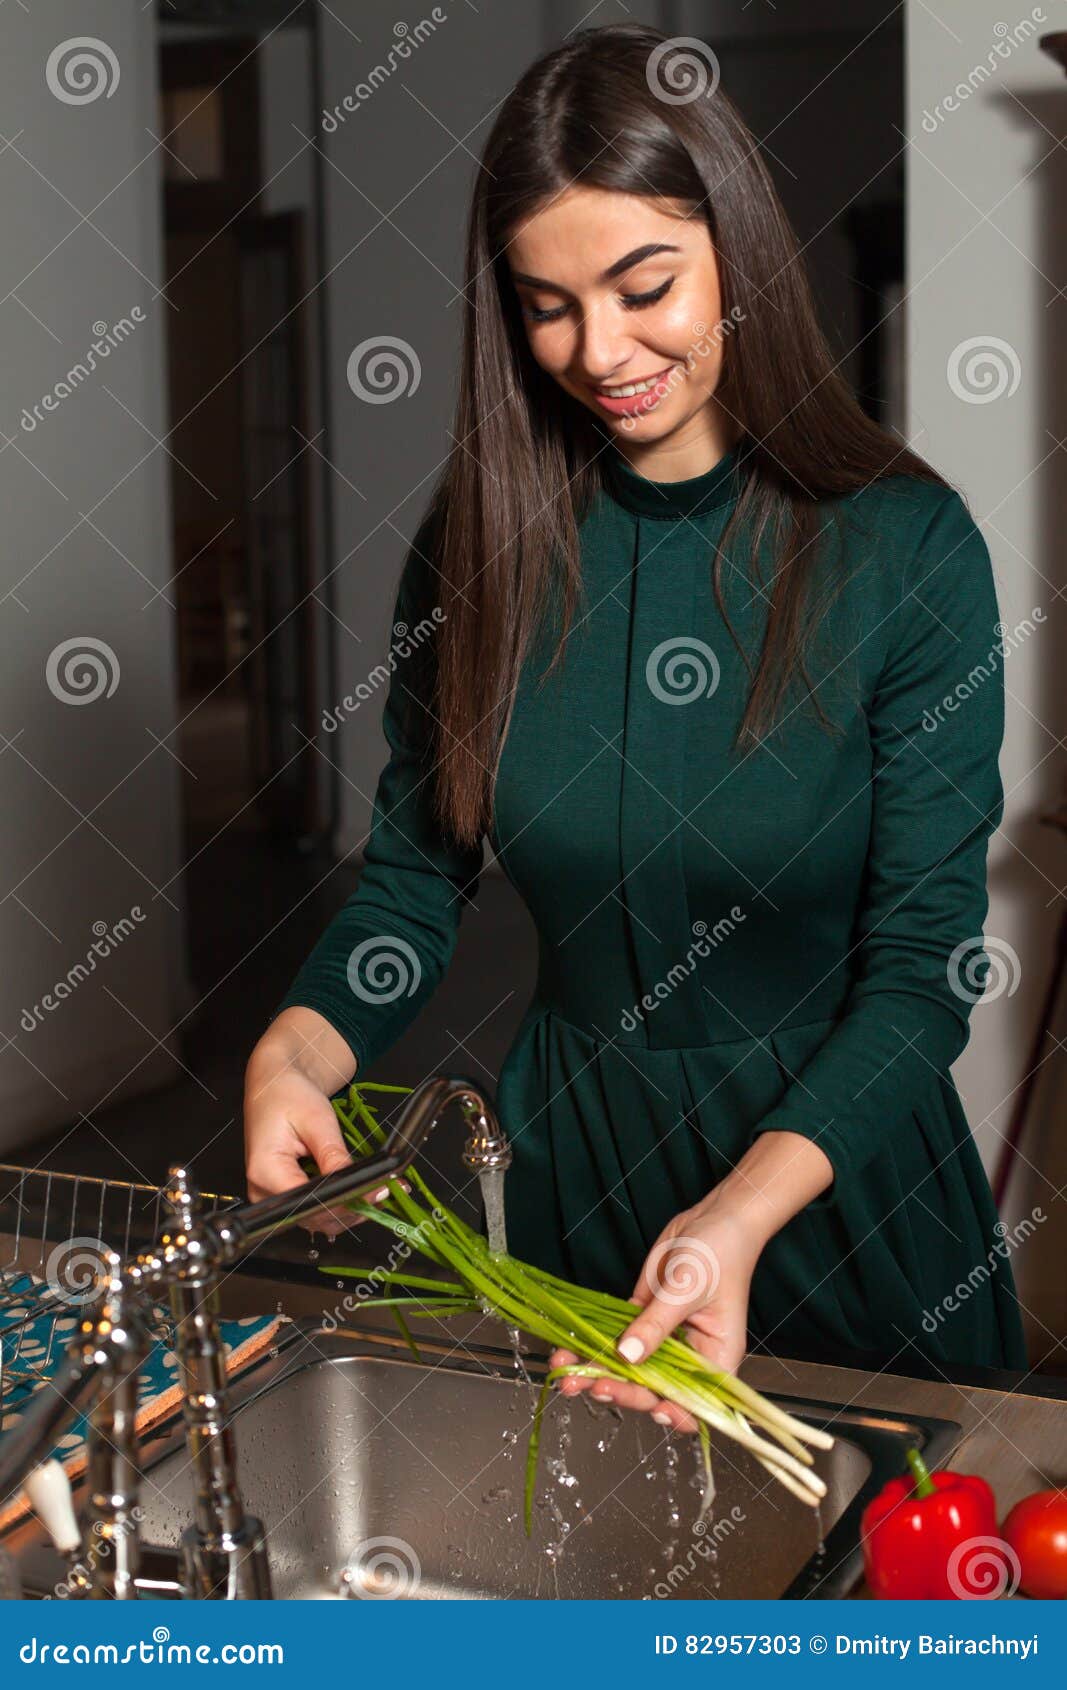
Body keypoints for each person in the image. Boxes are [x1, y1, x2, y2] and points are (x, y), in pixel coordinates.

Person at [244, 22, 1027, 1430]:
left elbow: (923, 973)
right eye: (546, 306)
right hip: (577, 1191)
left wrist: (737, 1215)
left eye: (644, 285)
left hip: (839, 1191)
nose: (599, 352)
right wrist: (296, 1049)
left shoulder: (904, 549)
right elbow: (415, 884)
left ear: (738, 252)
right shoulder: (481, 547)